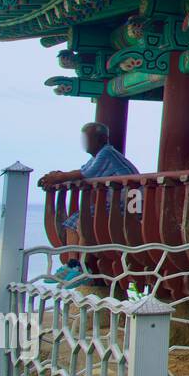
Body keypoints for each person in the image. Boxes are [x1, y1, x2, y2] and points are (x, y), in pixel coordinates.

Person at [39, 122, 139, 285]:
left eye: (89, 138)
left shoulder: (107, 153)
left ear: (101, 139)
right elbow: (82, 170)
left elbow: (85, 174)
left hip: (127, 206)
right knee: (71, 224)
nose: (85, 142)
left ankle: (84, 266)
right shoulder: (97, 156)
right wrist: (58, 175)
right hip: (112, 205)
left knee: (83, 222)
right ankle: (73, 264)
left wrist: (58, 177)